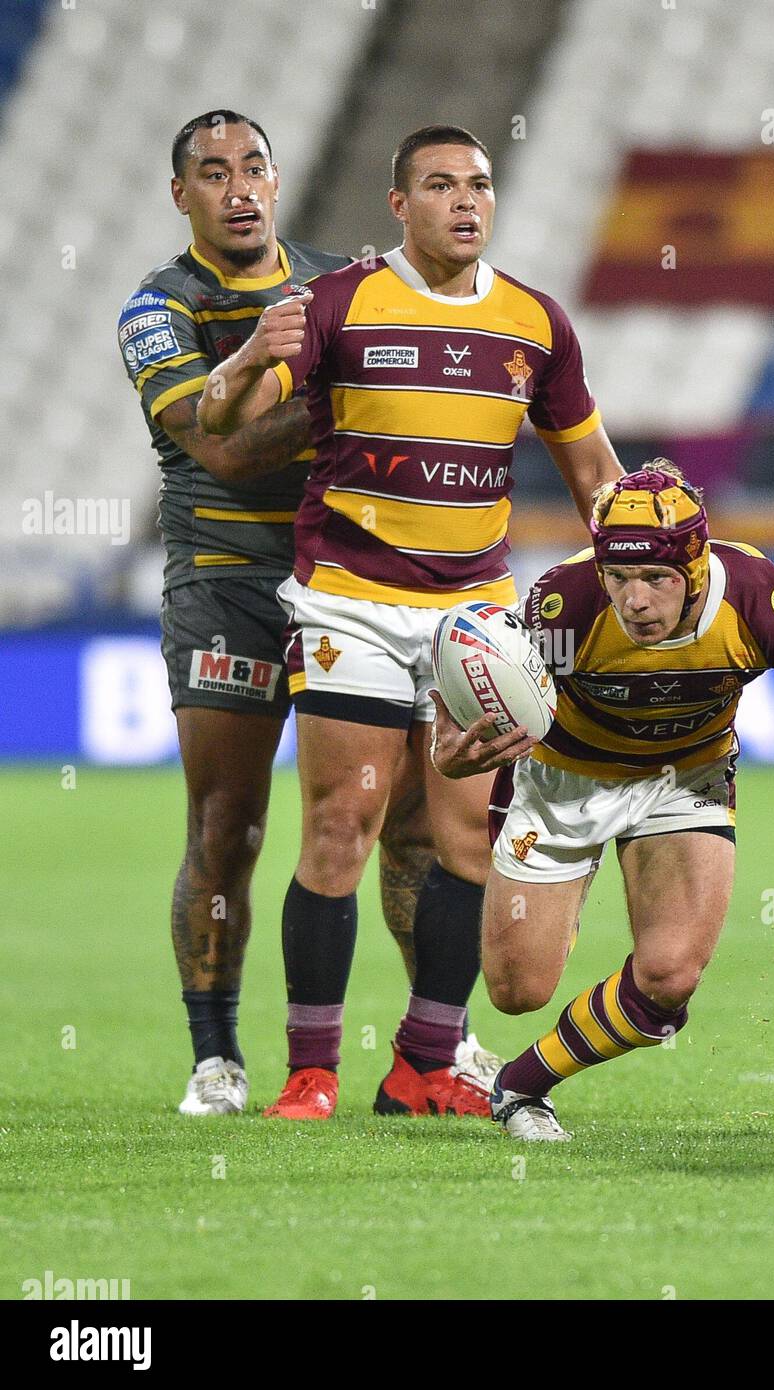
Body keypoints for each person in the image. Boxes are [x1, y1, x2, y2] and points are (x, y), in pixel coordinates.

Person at [199, 124, 623, 1120]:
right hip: (349, 598)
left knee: (464, 841)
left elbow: (596, 476)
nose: (465, 201)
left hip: (471, 617)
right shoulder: (338, 304)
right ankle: (311, 1071)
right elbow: (220, 424)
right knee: (341, 822)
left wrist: (651, 543)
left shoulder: (536, 324)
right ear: (400, 205)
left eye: (478, 184)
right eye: (439, 185)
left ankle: (424, 1062)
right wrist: (242, 361)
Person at [430, 461, 774, 1141]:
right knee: (517, 990)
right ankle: (562, 902)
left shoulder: (760, 599)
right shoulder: (561, 605)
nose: (633, 600)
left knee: (666, 980)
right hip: (561, 781)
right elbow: (482, 705)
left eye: (655, 579)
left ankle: (519, 1085)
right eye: (619, 577)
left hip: (682, 780)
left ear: (695, 570)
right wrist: (452, 748)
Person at [118, 110, 443, 1117]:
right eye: (215, 174)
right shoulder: (158, 311)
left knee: (408, 825)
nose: (241, 187)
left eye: (255, 166)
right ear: (184, 196)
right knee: (230, 824)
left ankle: (435, 1047)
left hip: (351, 580)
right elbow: (219, 450)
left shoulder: (337, 282)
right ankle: (216, 1057)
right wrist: (351, 390)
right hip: (226, 578)